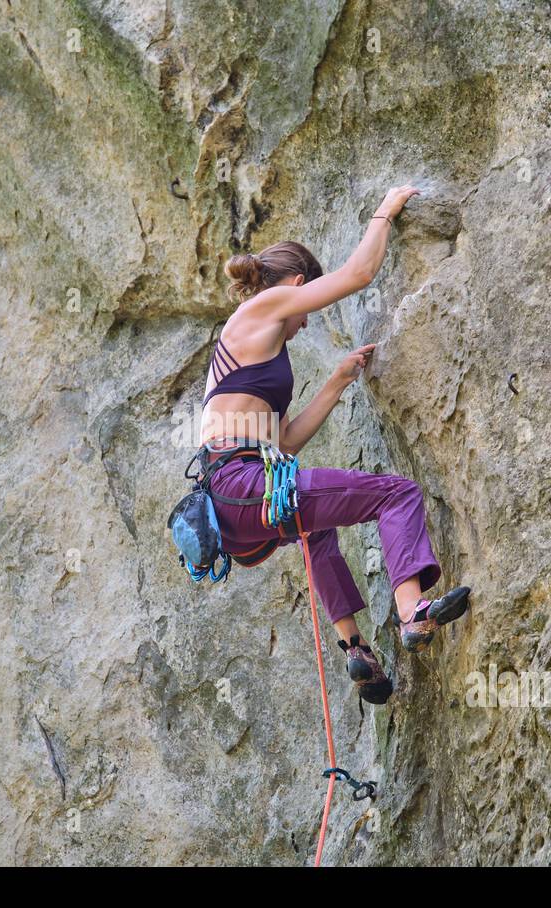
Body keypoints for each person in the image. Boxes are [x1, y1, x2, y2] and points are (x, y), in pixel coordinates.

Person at [198, 185, 470, 705]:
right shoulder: (266, 307)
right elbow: (358, 275)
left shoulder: (241, 346)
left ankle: (356, 647)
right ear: (298, 288)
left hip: (233, 507)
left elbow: (283, 443)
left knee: (314, 531)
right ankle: (412, 609)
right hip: (242, 486)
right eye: (308, 311)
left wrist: (336, 382)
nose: (303, 327)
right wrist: (386, 210)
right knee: (397, 494)